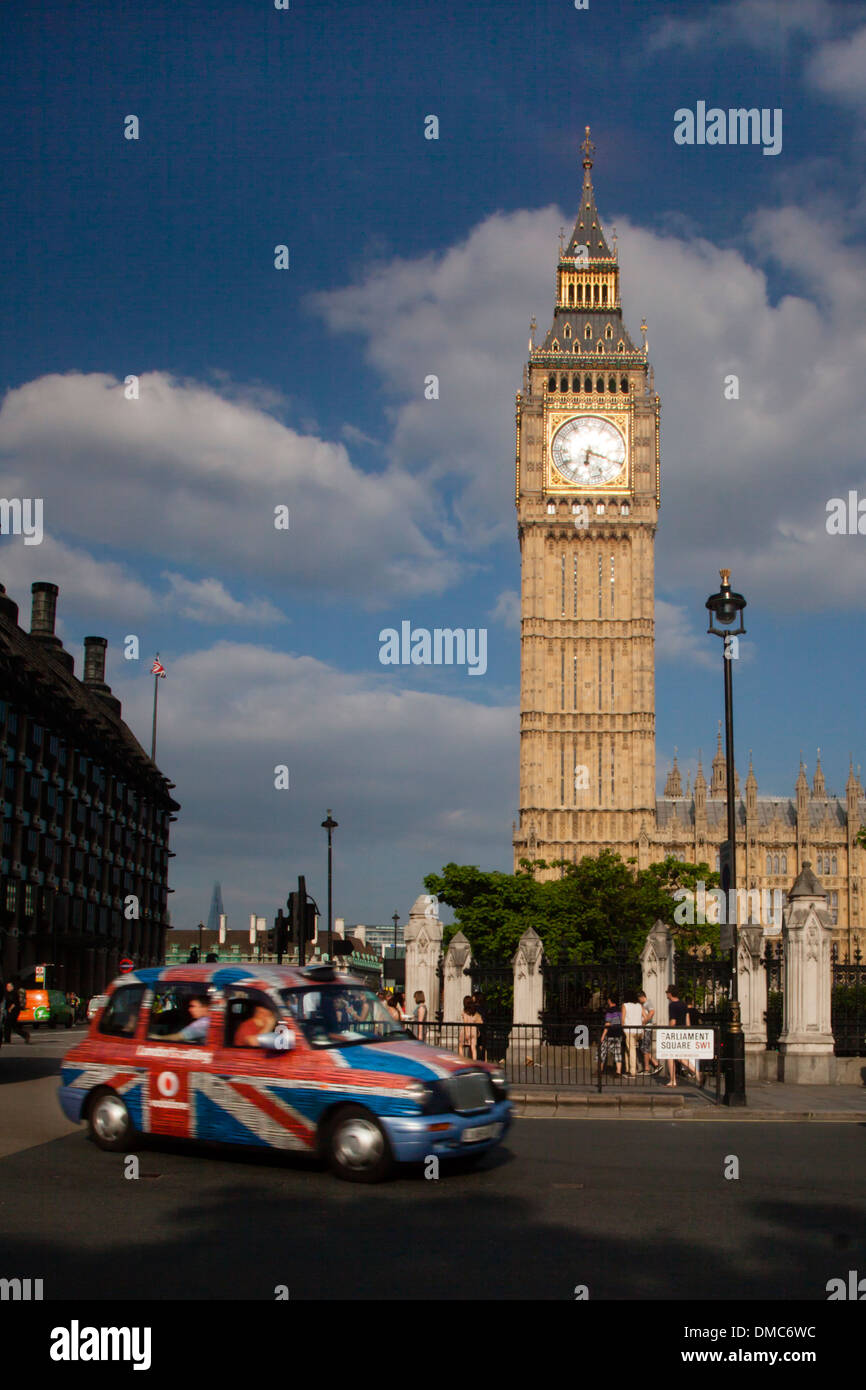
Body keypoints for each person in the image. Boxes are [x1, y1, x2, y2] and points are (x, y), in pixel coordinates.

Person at [665, 985, 696, 1086]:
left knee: (670, 1055)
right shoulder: (683, 1004)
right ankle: (697, 1073)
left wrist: (667, 1030)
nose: (666, 994)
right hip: (683, 1031)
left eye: (667, 992)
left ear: (670, 993)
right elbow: (687, 1019)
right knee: (679, 1056)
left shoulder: (672, 1005)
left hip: (675, 1032)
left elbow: (673, 1021)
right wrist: (688, 1030)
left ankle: (673, 1080)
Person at [599, 993, 623, 1076]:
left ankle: (600, 1070)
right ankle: (618, 1071)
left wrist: (602, 1036)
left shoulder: (610, 1011)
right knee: (617, 1052)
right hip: (618, 1033)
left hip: (610, 1033)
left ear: (610, 1001)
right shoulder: (620, 1010)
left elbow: (608, 1023)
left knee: (602, 1051)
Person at [637, 990, 660, 1073]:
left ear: (642, 997)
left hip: (647, 1028)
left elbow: (652, 1012)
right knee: (643, 1048)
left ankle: (647, 1068)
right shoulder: (645, 1004)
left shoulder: (648, 1003)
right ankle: (655, 1063)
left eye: (639, 999)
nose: (639, 1001)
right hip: (646, 1029)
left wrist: (644, 1022)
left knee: (645, 1048)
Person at [621, 992, 643, 1076]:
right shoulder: (639, 1005)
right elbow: (645, 1016)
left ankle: (632, 1071)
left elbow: (622, 1019)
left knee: (631, 1050)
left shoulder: (625, 1005)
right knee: (628, 1049)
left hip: (629, 1030)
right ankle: (627, 1068)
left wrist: (623, 1029)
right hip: (638, 1030)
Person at [3, 980, 30, 1044]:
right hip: (9, 1011)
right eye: (7, 986)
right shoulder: (7, 994)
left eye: (9, 986)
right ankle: (25, 1035)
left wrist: (10, 1009)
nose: (8, 988)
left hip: (14, 1011)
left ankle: (7, 1040)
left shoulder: (14, 993)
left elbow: (15, 1002)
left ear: (12, 987)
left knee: (8, 1025)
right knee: (12, 1026)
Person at [460, 994, 482, 1060]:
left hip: (466, 1030)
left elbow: (465, 1023)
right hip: (474, 1030)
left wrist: (466, 1033)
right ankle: (474, 1061)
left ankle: (462, 1060)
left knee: (461, 1046)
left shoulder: (464, 1011)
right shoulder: (474, 1011)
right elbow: (480, 1021)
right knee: (473, 1048)